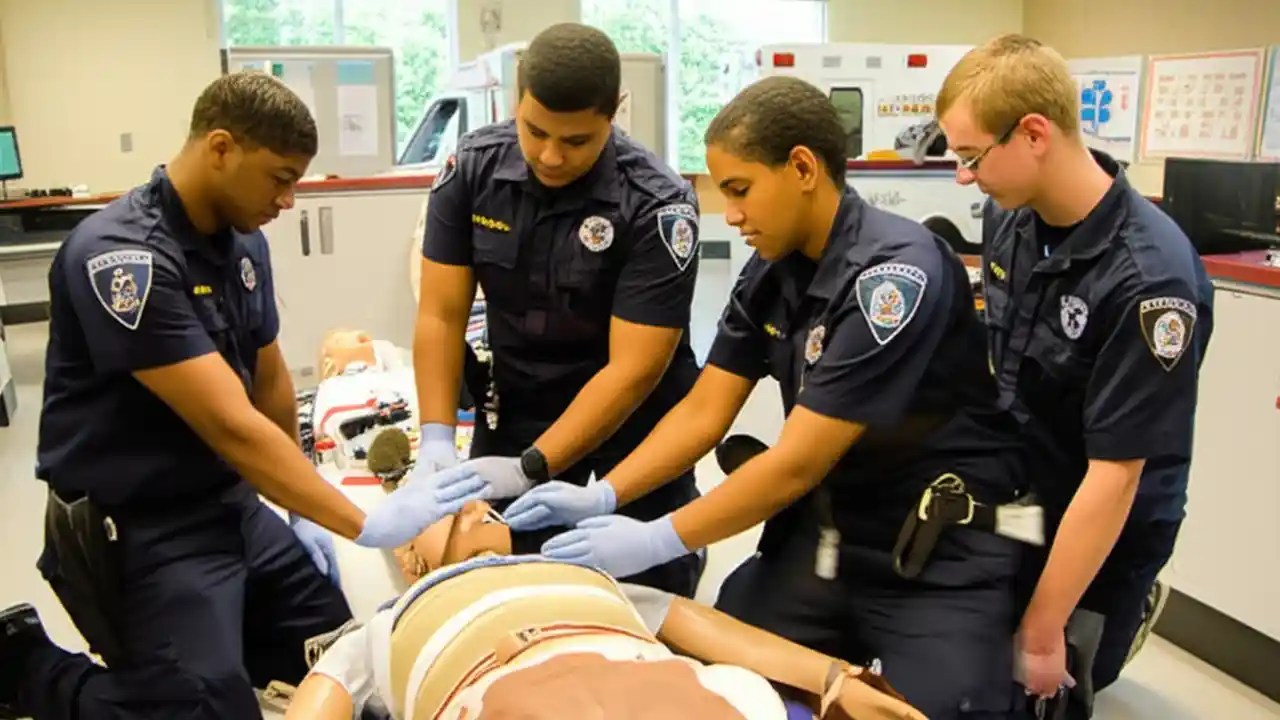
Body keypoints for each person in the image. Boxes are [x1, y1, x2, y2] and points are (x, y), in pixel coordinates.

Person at [495, 75, 1032, 719]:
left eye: (740, 189)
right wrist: (605, 494)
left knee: (932, 710)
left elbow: (797, 461)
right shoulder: (771, 270)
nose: (731, 213)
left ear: (802, 167)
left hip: (935, 554)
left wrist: (658, 537)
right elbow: (703, 409)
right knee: (712, 685)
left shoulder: (895, 276)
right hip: (828, 534)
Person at [0, 72, 460, 720]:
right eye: (280, 178)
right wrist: (360, 522)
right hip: (141, 524)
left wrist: (295, 503)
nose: (290, 199)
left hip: (229, 503)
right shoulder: (121, 259)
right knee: (206, 709)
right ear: (220, 147)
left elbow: (269, 376)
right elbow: (232, 426)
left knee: (345, 656)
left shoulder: (244, 243)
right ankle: (28, 668)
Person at [933, 34, 1215, 713]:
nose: (963, 178)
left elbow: (1116, 476)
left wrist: (1043, 628)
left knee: (1047, 688)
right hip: (1025, 488)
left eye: (972, 157)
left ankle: (1122, 611)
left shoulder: (1150, 283)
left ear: (1033, 133)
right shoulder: (1010, 215)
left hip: (1102, 520)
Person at [399, 23, 705, 596]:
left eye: (576, 141)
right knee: (496, 580)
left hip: (630, 418)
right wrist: (438, 438)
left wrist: (534, 467)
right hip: (521, 401)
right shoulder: (472, 170)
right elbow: (440, 314)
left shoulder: (658, 204)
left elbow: (633, 370)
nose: (549, 155)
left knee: (645, 594)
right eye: (534, 130)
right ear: (517, 99)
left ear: (615, 113)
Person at [281, 496, 927, 720]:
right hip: (504, 692)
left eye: (476, 498)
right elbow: (325, 690)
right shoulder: (393, 618)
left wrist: (834, 679)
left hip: (656, 682)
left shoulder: (578, 573)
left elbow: (696, 624)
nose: (474, 505)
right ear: (409, 560)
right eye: (441, 509)